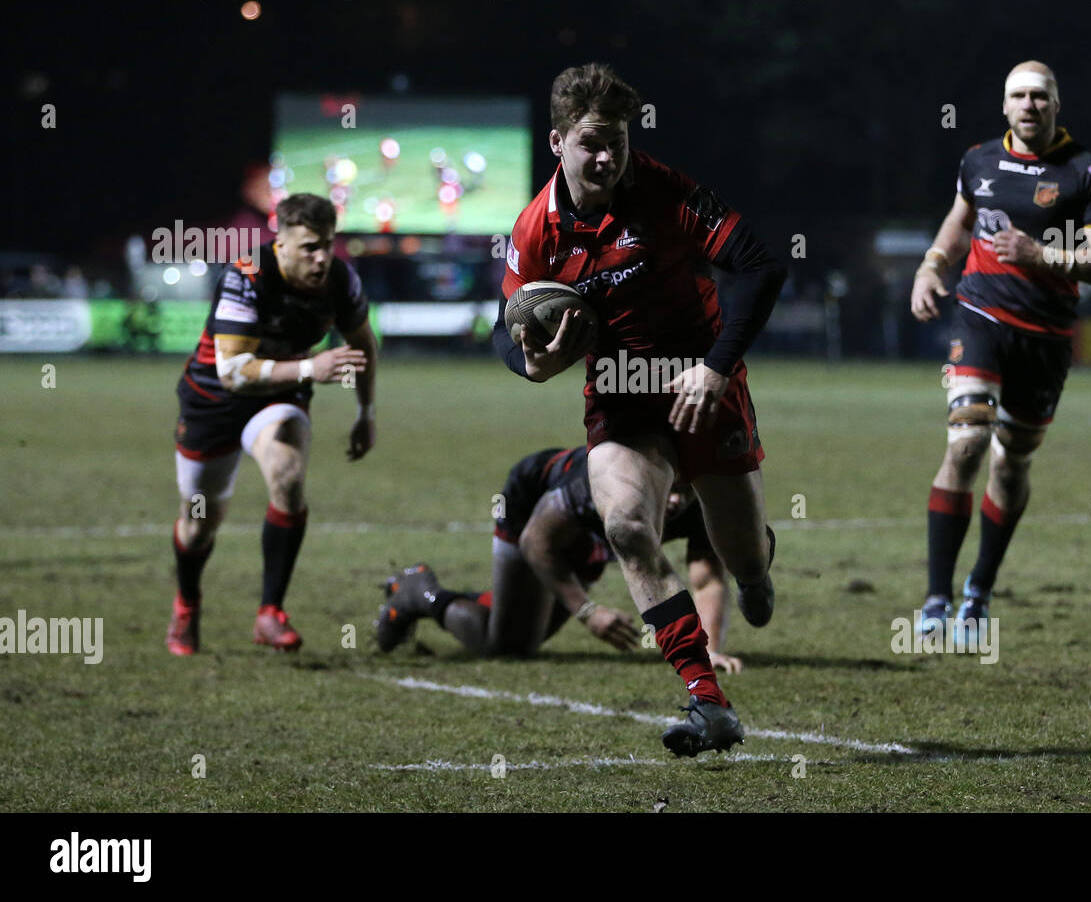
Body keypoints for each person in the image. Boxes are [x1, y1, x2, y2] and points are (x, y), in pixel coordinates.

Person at [491, 63, 786, 756]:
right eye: (592, 141)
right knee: (626, 524)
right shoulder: (536, 229)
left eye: (618, 140)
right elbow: (507, 327)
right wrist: (531, 361)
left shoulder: (667, 190)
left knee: (741, 551)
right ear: (558, 142)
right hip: (620, 393)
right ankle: (707, 701)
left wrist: (716, 367)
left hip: (700, 385)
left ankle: (756, 570)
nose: (607, 156)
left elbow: (759, 266)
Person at [910, 61, 1091, 643]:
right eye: (1019, 96)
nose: (1029, 105)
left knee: (1012, 460)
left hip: (1047, 338)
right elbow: (960, 221)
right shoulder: (978, 159)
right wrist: (931, 267)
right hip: (979, 316)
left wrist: (1044, 256)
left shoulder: (1089, 173)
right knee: (968, 438)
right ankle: (935, 600)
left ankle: (978, 591)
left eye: (1040, 96)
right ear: (1005, 106)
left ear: (1057, 106)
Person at [166, 193, 379, 655]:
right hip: (213, 401)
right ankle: (186, 603)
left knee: (287, 474)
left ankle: (270, 613)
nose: (321, 257)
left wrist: (365, 413)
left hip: (278, 396)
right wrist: (309, 369)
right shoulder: (247, 275)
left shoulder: (340, 279)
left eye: (326, 244)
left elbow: (363, 343)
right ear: (279, 244)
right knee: (199, 521)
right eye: (308, 247)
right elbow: (234, 371)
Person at [374, 446, 744, 672]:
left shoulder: (703, 504)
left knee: (528, 629)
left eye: (686, 490)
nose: (677, 500)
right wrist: (587, 611)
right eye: (671, 488)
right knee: (508, 644)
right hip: (532, 508)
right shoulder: (601, 486)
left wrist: (709, 651)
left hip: (588, 532)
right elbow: (538, 541)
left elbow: (708, 579)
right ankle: (417, 590)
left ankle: (429, 592)